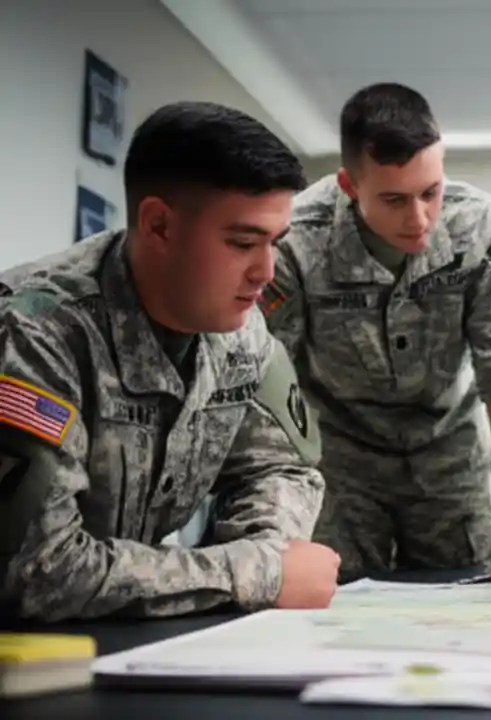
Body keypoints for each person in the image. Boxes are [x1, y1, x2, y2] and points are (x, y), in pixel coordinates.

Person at [0, 101, 335, 622]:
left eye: (275, 244)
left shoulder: (243, 332)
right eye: (243, 242)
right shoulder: (35, 333)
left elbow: (282, 467)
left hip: (128, 647)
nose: (265, 272)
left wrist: (266, 545)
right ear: (158, 225)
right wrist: (254, 572)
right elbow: (38, 570)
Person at [259, 83, 491, 582]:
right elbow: (273, 381)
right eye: (394, 200)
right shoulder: (295, 239)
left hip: (446, 454)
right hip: (338, 457)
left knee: (457, 607)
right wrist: (279, 519)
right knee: (335, 609)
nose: (419, 218)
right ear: (349, 185)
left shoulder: (479, 227)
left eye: (431, 193)